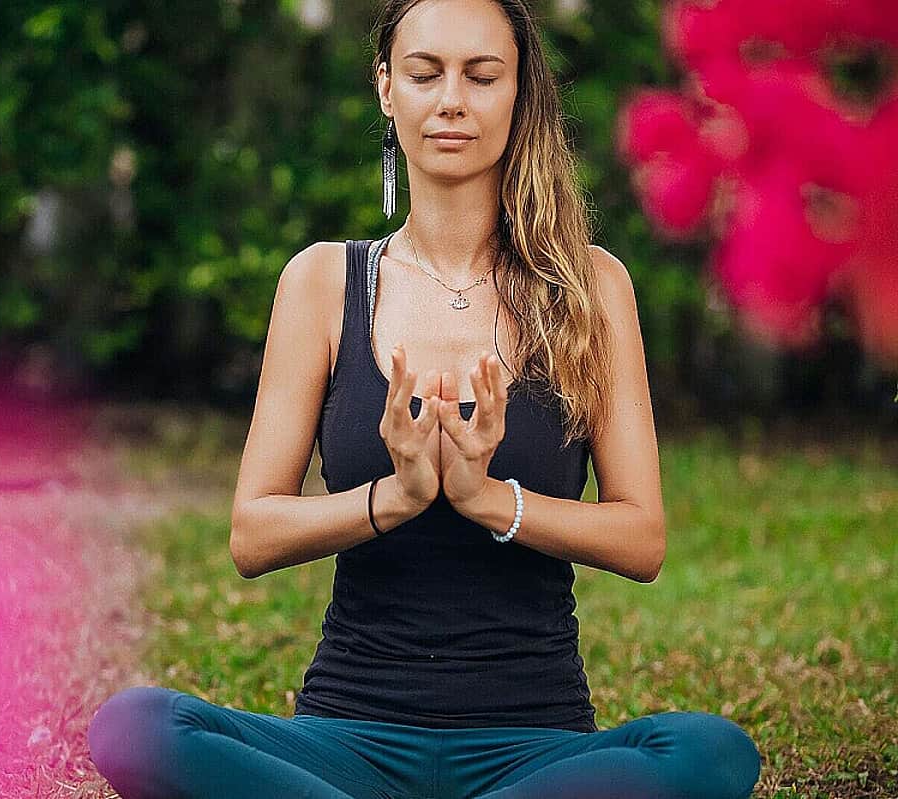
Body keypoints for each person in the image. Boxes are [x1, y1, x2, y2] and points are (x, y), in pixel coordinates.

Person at [87, 0, 763, 796]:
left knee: (712, 750)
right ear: (385, 89)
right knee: (133, 724)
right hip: (346, 740)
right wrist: (397, 495)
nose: (451, 99)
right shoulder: (321, 283)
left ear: (519, 92)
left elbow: (641, 537)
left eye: (482, 76)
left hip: (534, 746)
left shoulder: (590, 286)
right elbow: (252, 531)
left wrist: (486, 498)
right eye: (423, 73)